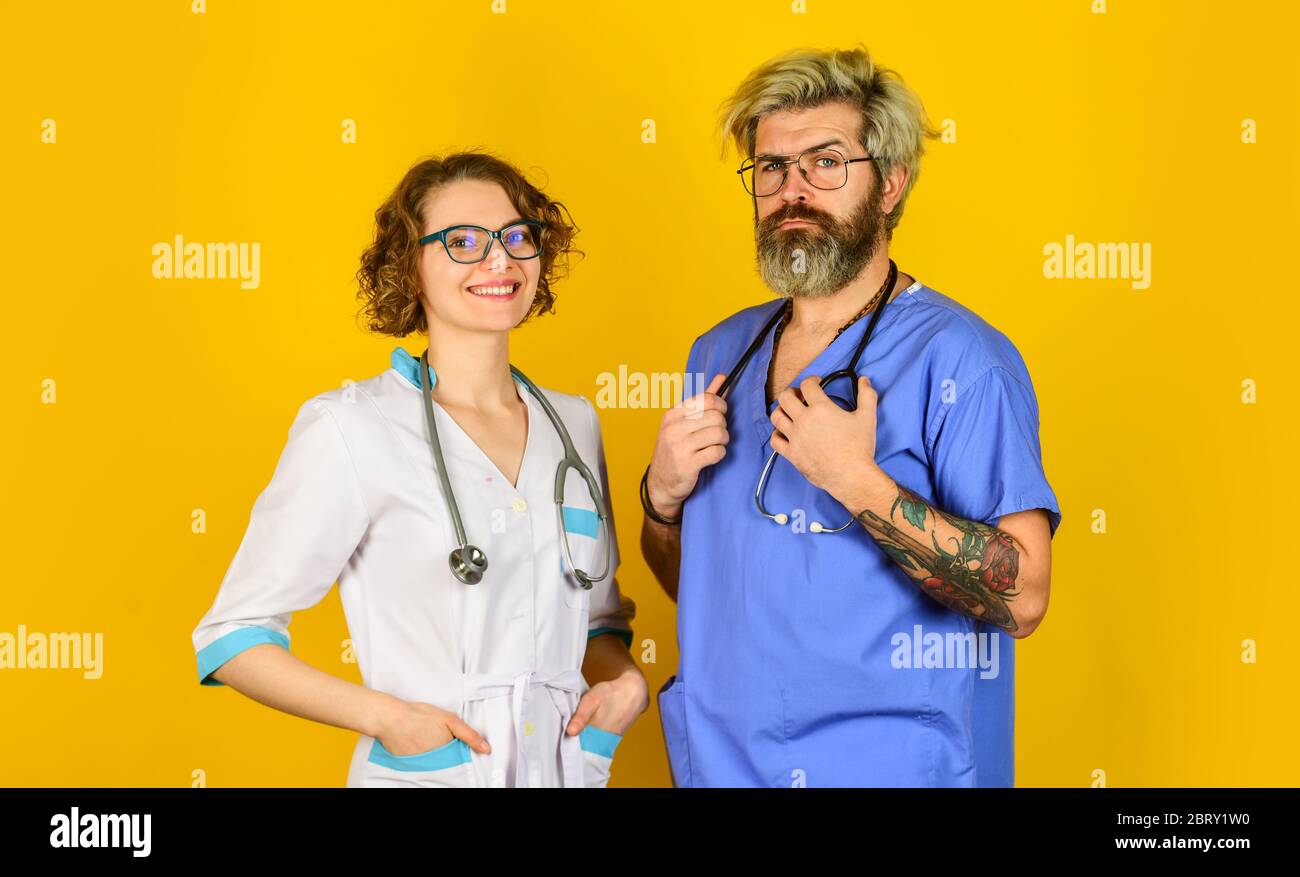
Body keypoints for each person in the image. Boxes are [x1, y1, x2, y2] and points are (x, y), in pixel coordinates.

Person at [641, 46, 1061, 787]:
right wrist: (662, 500)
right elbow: (699, 585)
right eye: (771, 168)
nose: (792, 190)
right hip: (725, 764)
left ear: (891, 183)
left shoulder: (962, 360)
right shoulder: (720, 353)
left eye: (826, 162)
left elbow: (1022, 595)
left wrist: (856, 480)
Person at [192, 151, 646, 787]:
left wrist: (625, 685)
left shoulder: (573, 424)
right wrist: (390, 720)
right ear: (411, 266)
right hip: (434, 772)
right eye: (462, 241)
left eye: (517, 236)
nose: (499, 260)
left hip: (563, 770)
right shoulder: (352, 427)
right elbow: (232, 639)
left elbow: (597, 617)